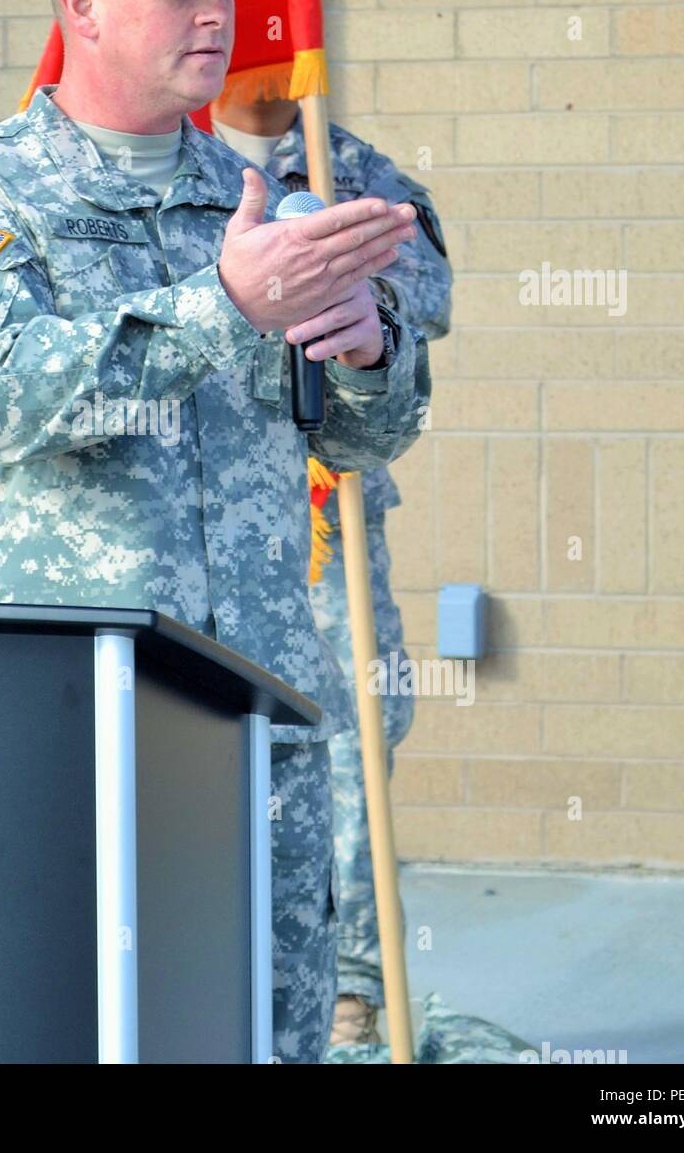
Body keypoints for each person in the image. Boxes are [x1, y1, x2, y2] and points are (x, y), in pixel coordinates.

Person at [0, 0, 431, 1063]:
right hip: (69, 728)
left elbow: (361, 436)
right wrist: (226, 303)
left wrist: (369, 350)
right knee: (69, 1029)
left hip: (256, 723)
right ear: (81, 5)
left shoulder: (259, 198)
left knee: (265, 1036)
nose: (216, 13)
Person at [211, 91, 452, 1045]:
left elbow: (430, 297)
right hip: (204, 514)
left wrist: (351, 292)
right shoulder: (166, 166)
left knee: (354, 729)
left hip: (328, 512)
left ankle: (352, 984)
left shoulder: (353, 170)